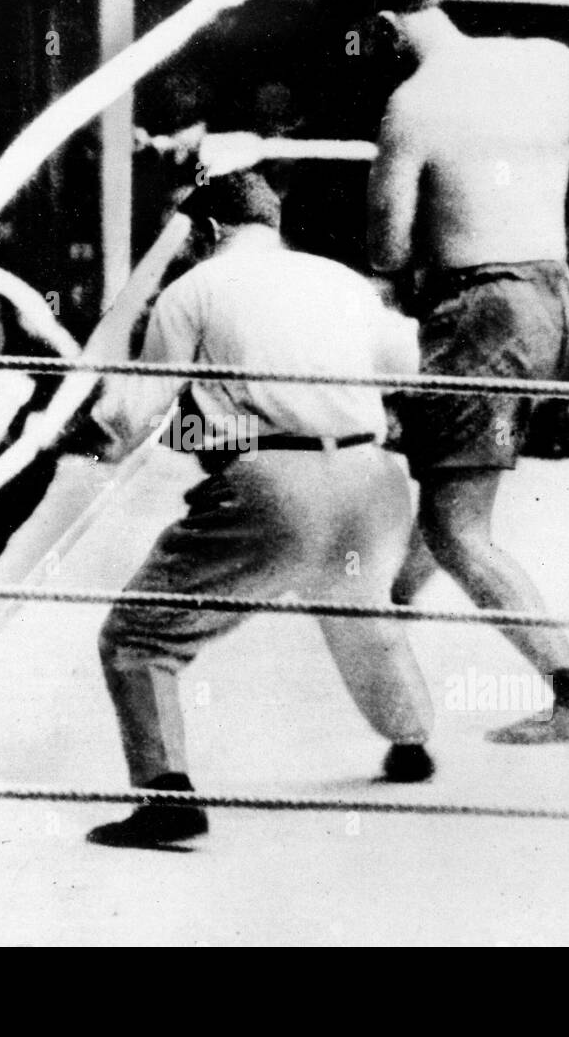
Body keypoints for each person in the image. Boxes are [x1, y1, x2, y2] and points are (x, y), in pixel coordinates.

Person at [323, 0, 569, 743]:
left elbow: (385, 250)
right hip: (555, 299)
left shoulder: (412, 105)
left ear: (381, 27)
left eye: (362, 38)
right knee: (453, 477)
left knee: (458, 527)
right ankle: (396, 606)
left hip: (484, 310)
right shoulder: (545, 62)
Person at [85, 172, 436, 850]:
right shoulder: (342, 281)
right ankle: (411, 742)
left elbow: (134, 419)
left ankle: (166, 798)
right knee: (355, 605)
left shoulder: (193, 290)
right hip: (375, 481)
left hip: (278, 488)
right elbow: (405, 367)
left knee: (138, 638)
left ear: (208, 231)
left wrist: (99, 423)